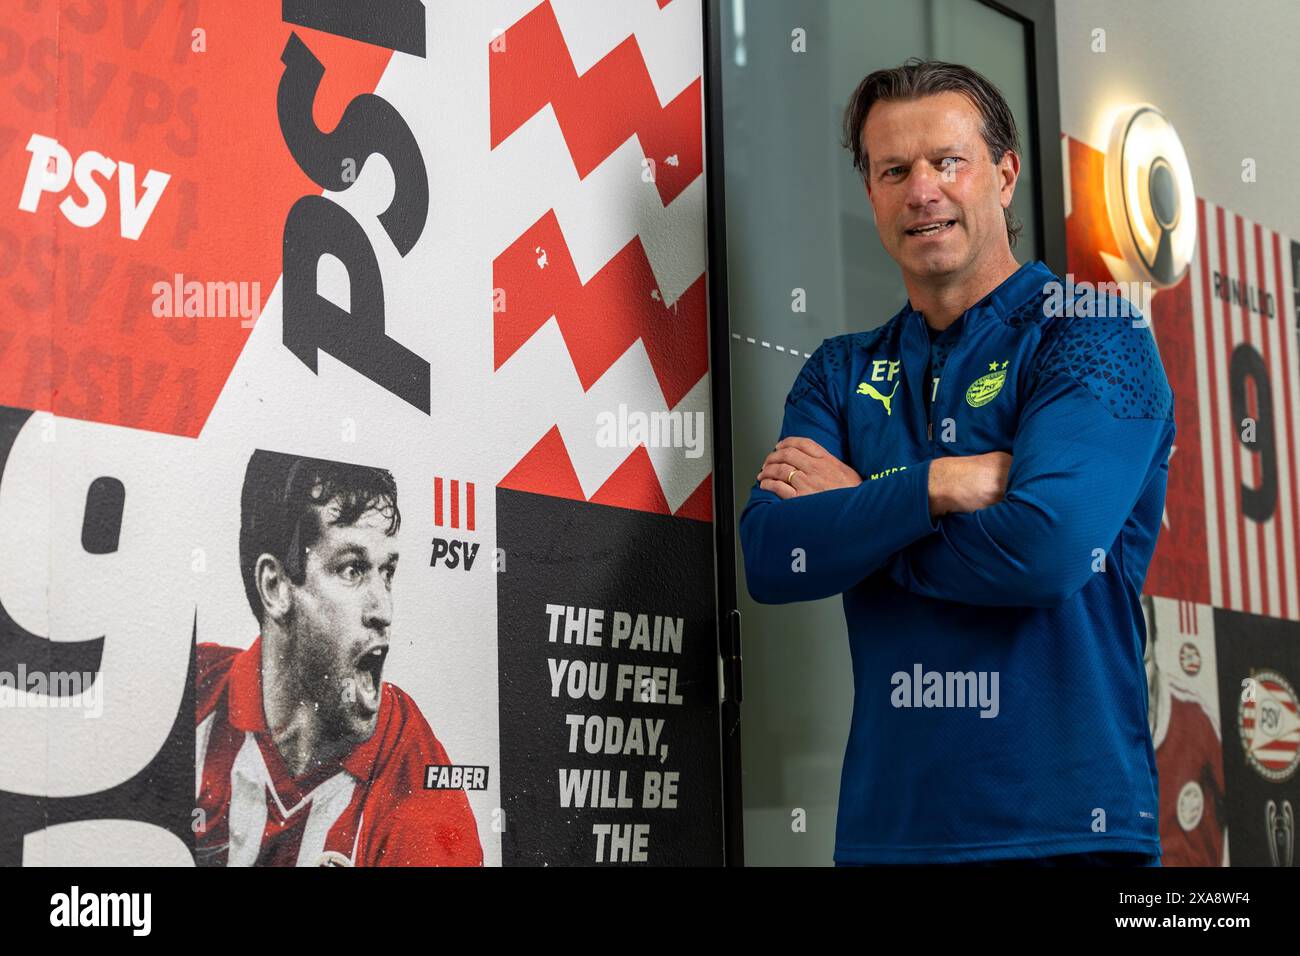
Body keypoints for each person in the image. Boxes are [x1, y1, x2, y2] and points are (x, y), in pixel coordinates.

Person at [738, 59, 1174, 865]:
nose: (922, 191)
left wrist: (865, 517)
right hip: (888, 835)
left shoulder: (1093, 335)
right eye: (893, 170)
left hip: (1066, 831)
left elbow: (1042, 554)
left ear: (1005, 176)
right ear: (870, 194)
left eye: (948, 161)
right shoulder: (840, 371)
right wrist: (935, 486)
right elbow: (772, 557)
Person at [194, 450, 483, 866]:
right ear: (275, 587)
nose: (383, 610)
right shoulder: (196, 697)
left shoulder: (404, 753)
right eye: (352, 570)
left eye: (388, 573)